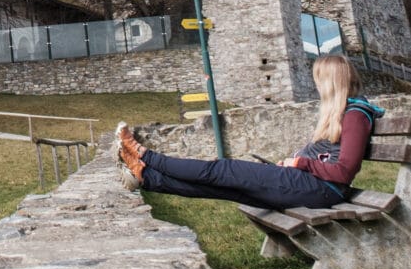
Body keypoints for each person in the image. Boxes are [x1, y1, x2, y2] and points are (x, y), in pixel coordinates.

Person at [113, 54, 382, 210]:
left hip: (321, 190)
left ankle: (146, 156)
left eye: (319, 80)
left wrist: (300, 162)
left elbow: (345, 171)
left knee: (222, 171)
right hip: (309, 185)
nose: (316, 86)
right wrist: (296, 162)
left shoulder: (356, 115)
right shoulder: (343, 111)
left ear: (331, 82)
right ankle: (146, 176)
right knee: (225, 187)